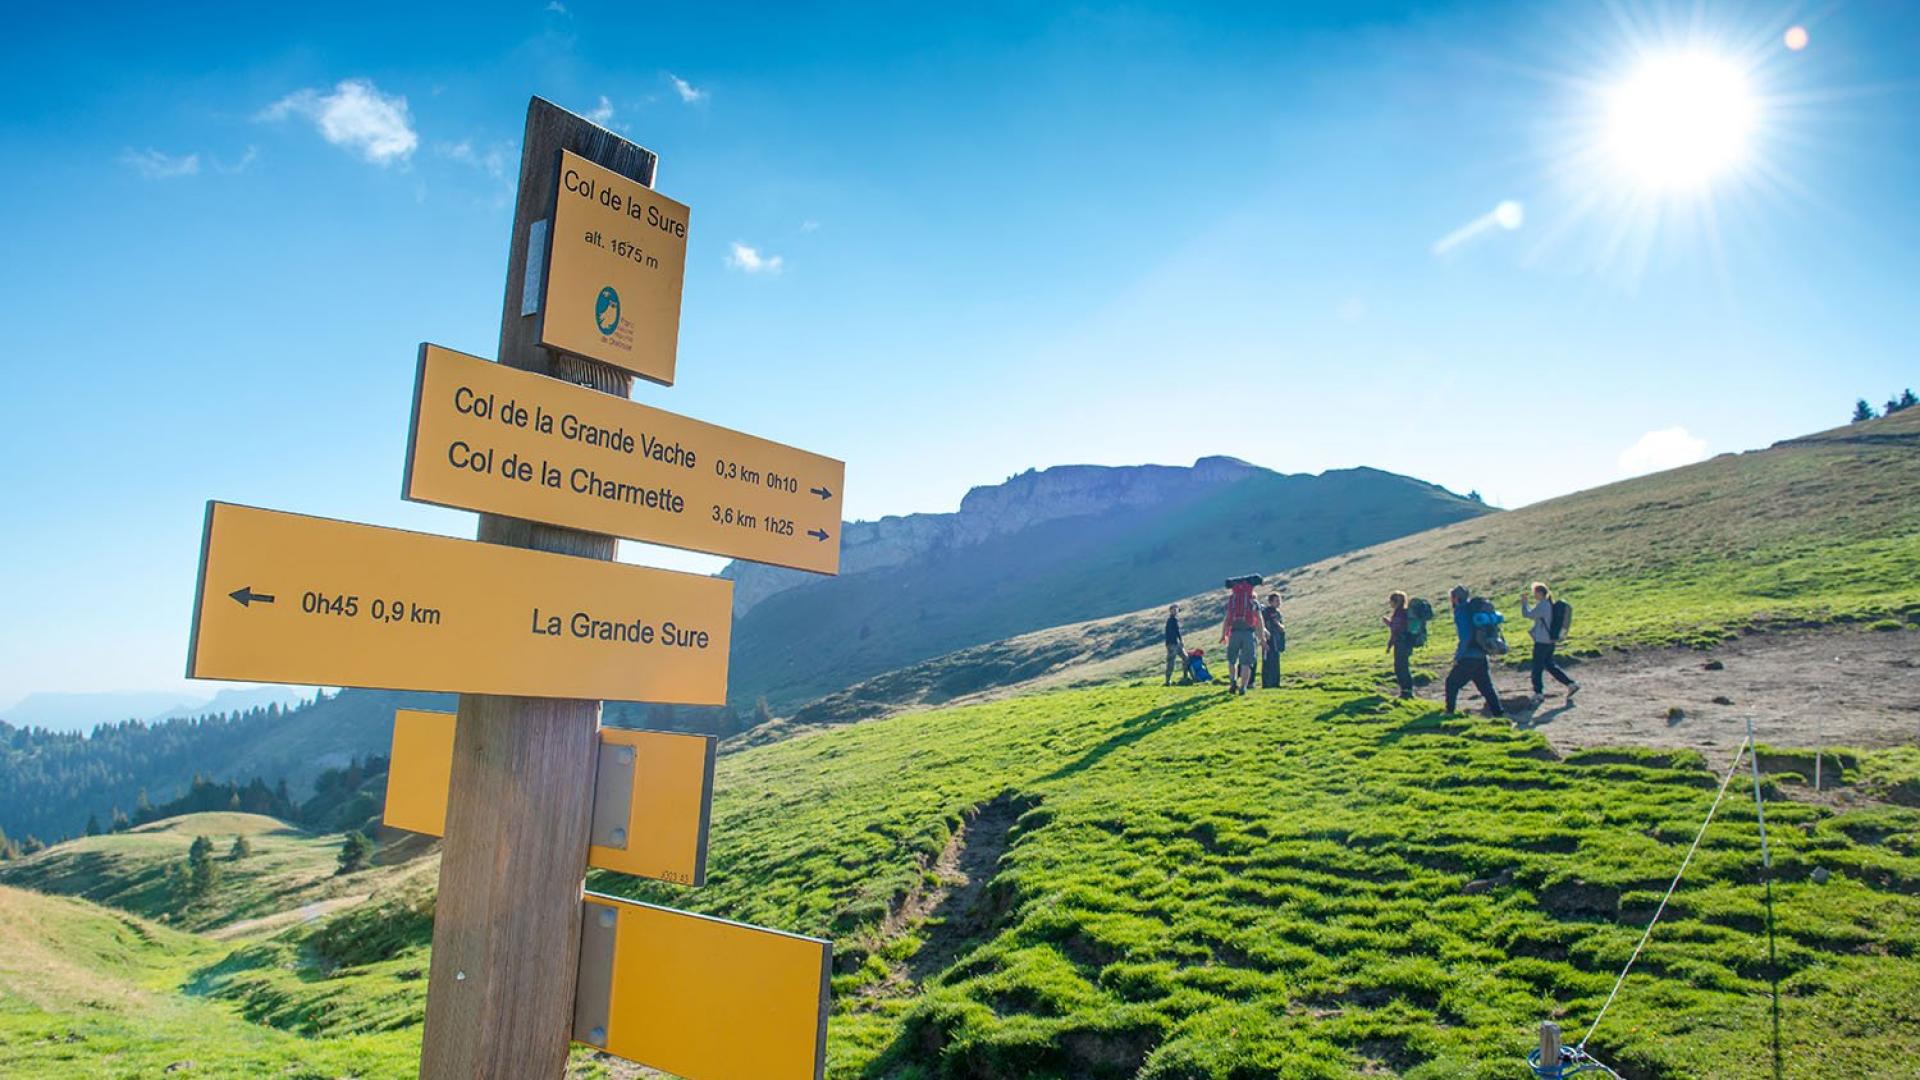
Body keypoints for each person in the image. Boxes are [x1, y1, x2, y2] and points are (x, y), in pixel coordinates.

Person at [1443, 584, 1504, 717]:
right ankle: (1499, 713)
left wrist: (1458, 656)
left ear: (1455, 598)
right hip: (1481, 653)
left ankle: (1449, 712)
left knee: (1451, 682)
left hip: (1469, 655)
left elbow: (1465, 636)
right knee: (1486, 687)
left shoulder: (1461, 611)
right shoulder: (1473, 609)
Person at [1521, 582, 1579, 704]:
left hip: (1542, 641)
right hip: (1550, 640)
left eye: (1535, 592)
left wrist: (1524, 602)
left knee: (1537, 668)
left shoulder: (1543, 605)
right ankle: (1570, 684)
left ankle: (1538, 693)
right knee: (1549, 665)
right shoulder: (1549, 604)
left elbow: (1527, 614)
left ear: (1540, 593)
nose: (1534, 595)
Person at [1219, 576, 1267, 695]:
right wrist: (1262, 638)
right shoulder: (1253, 602)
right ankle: (1243, 687)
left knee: (1232, 660)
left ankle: (1233, 682)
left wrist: (1224, 635)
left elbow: (1226, 620)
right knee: (1247, 662)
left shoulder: (1232, 601)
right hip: (1248, 634)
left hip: (1234, 633)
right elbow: (1259, 620)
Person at [1382, 591, 1414, 699]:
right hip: (1405, 643)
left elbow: (1396, 629)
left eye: (1391, 602)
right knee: (1402, 666)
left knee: (1401, 667)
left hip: (1402, 643)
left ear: (1395, 602)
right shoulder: (1403, 612)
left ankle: (1406, 691)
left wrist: (1388, 622)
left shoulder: (1400, 613)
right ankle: (1406, 690)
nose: (1390, 604)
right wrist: (1390, 645)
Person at [1259, 592, 1285, 689]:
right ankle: (1267, 683)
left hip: (1276, 639)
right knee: (1268, 661)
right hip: (1269, 640)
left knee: (1275, 661)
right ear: (1271, 602)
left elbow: (1281, 626)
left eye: (1279, 600)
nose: (1279, 603)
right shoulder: (1267, 612)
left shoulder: (1277, 612)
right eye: (1276, 601)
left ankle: (1275, 682)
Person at [1162, 604, 1186, 686]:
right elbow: (1176, 632)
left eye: (1176, 610)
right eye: (1174, 610)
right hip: (1172, 644)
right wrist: (1181, 640)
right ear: (1171, 611)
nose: (1175, 611)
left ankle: (1185, 677)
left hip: (1175, 643)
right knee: (1171, 662)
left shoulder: (1173, 620)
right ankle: (1168, 681)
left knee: (1186, 658)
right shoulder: (1172, 620)